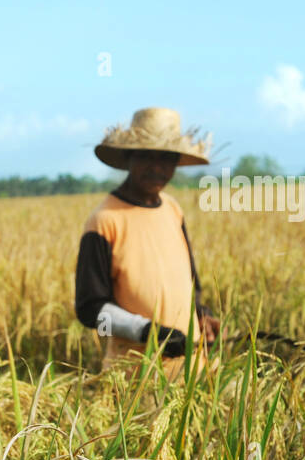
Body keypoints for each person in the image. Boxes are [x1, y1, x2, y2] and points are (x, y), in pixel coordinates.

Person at [74, 107, 221, 376]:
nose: (157, 168)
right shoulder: (104, 220)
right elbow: (90, 309)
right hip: (135, 380)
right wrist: (148, 332)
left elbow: (191, 286)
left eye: (167, 158)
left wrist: (202, 315)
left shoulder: (173, 210)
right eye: (146, 156)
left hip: (193, 371)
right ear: (129, 158)